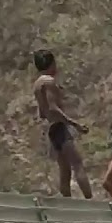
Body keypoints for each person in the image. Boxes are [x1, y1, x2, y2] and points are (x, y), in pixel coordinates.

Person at [32, 49, 91, 198]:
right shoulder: (49, 82)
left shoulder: (37, 84)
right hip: (59, 127)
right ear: (51, 63)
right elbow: (53, 108)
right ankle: (90, 200)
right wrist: (74, 124)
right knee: (77, 163)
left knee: (65, 169)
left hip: (51, 129)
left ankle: (66, 203)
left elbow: (42, 111)